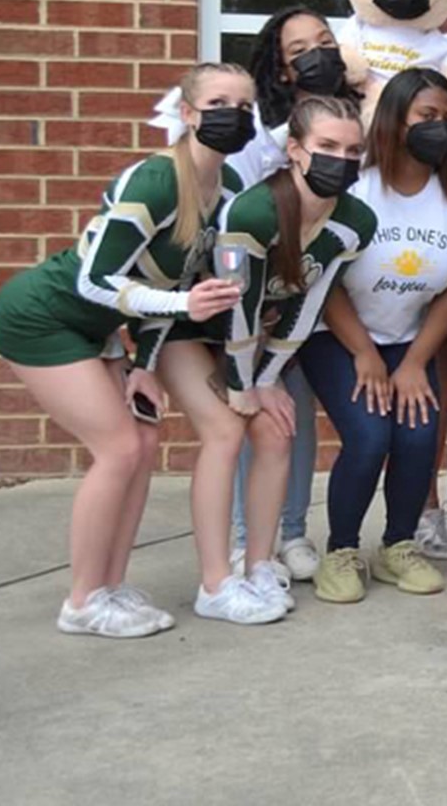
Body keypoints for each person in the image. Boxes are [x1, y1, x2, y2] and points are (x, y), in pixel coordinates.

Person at [0, 63, 252, 637]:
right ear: (187, 113)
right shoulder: (156, 180)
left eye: (243, 105)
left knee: (145, 440)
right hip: (42, 316)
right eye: (218, 103)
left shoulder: (227, 189)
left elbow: (170, 286)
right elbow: (95, 280)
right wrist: (183, 307)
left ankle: (109, 585)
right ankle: (82, 601)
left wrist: (143, 365)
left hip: (102, 329)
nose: (233, 115)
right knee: (118, 448)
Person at [159, 95, 376, 624]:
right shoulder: (253, 212)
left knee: (277, 432)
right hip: (193, 330)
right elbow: (237, 306)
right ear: (295, 150)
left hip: (255, 339)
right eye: (327, 146)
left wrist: (269, 375)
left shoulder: (355, 221)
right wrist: (245, 386)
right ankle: (216, 581)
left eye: (352, 150)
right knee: (227, 431)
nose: (341, 159)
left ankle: (260, 564)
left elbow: (307, 306)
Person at [300, 69, 447, 602]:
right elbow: (326, 278)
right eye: (426, 116)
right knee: (369, 437)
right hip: (336, 334)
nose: (440, 128)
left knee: (418, 434)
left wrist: (413, 362)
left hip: (409, 337)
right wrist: (364, 351)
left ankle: (398, 545)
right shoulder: (355, 186)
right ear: (394, 119)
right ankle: (341, 550)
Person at [222, 5, 359, 584]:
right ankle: (244, 538)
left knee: (293, 414)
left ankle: (295, 531)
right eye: (299, 50)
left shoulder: (358, 115)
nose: (317, 56)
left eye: (325, 41)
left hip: (319, 291)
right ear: (280, 68)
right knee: (251, 412)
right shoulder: (262, 135)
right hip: (253, 296)